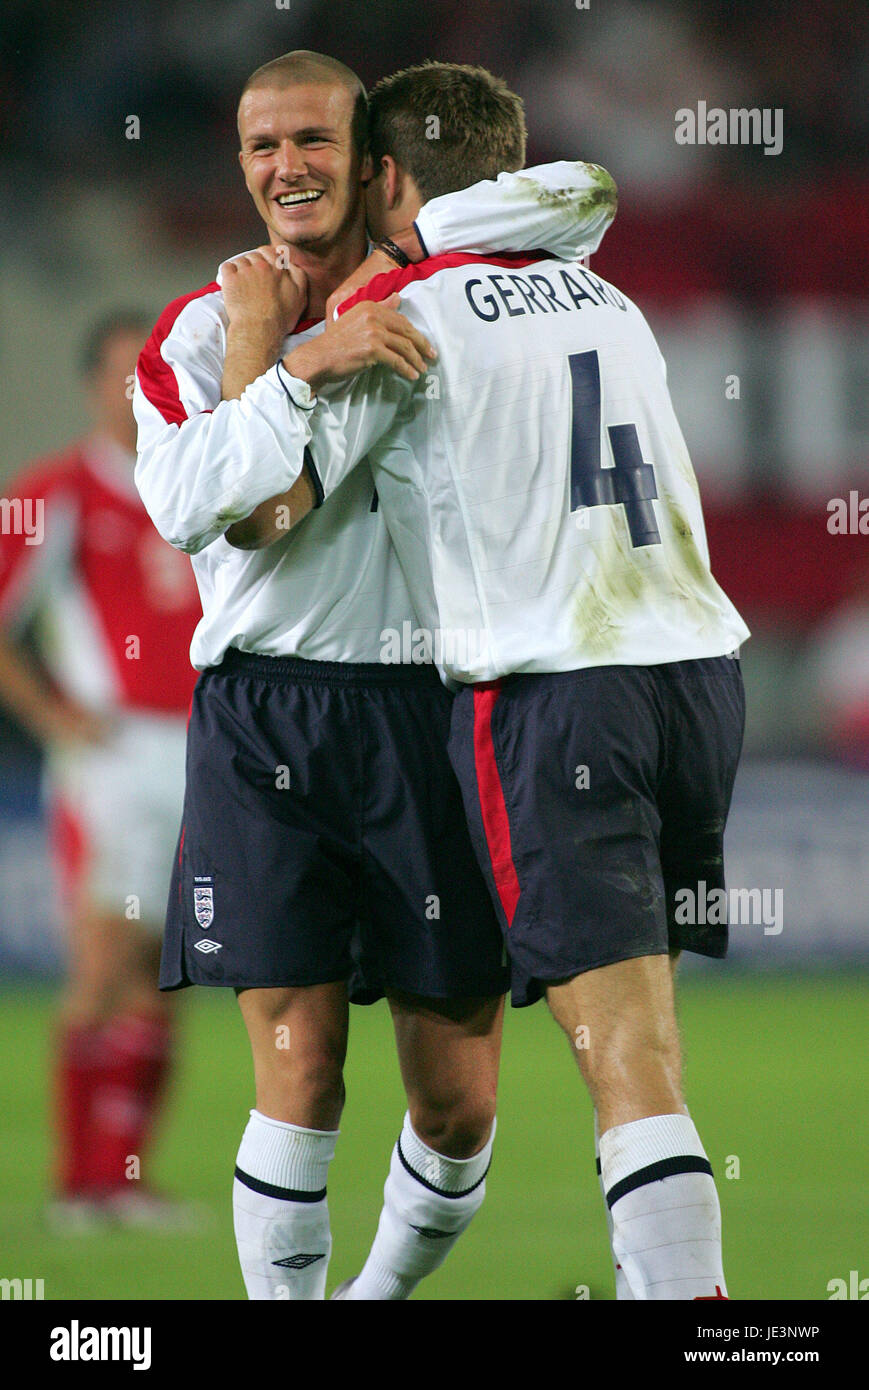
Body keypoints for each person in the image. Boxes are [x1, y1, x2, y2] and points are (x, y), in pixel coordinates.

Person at [230, 60, 751, 1301]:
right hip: (695, 677)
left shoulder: (409, 315)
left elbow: (265, 512)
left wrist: (269, 353)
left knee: (625, 1060)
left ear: (390, 176)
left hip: (560, 694)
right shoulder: (606, 297)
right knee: (649, 1039)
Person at [133, 49, 619, 1300]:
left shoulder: (451, 302)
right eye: (259, 146)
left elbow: (585, 195)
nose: (285, 167)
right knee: (298, 1076)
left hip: (432, 718)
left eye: (313, 141)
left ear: (373, 163)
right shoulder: (199, 327)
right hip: (265, 716)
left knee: (455, 1109)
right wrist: (287, 358)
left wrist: (366, 303)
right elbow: (223, 513)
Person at [0, 312, 202, 1228]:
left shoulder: (201, 479)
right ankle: (76, 1187)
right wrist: (51, 715)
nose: (136, 394)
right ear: (91, 387)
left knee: (170, 971)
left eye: (148, 374)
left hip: (206, 753)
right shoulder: (55, 492)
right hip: (115, 754)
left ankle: (125, 1181)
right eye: (121, 376)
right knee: (101, 962)